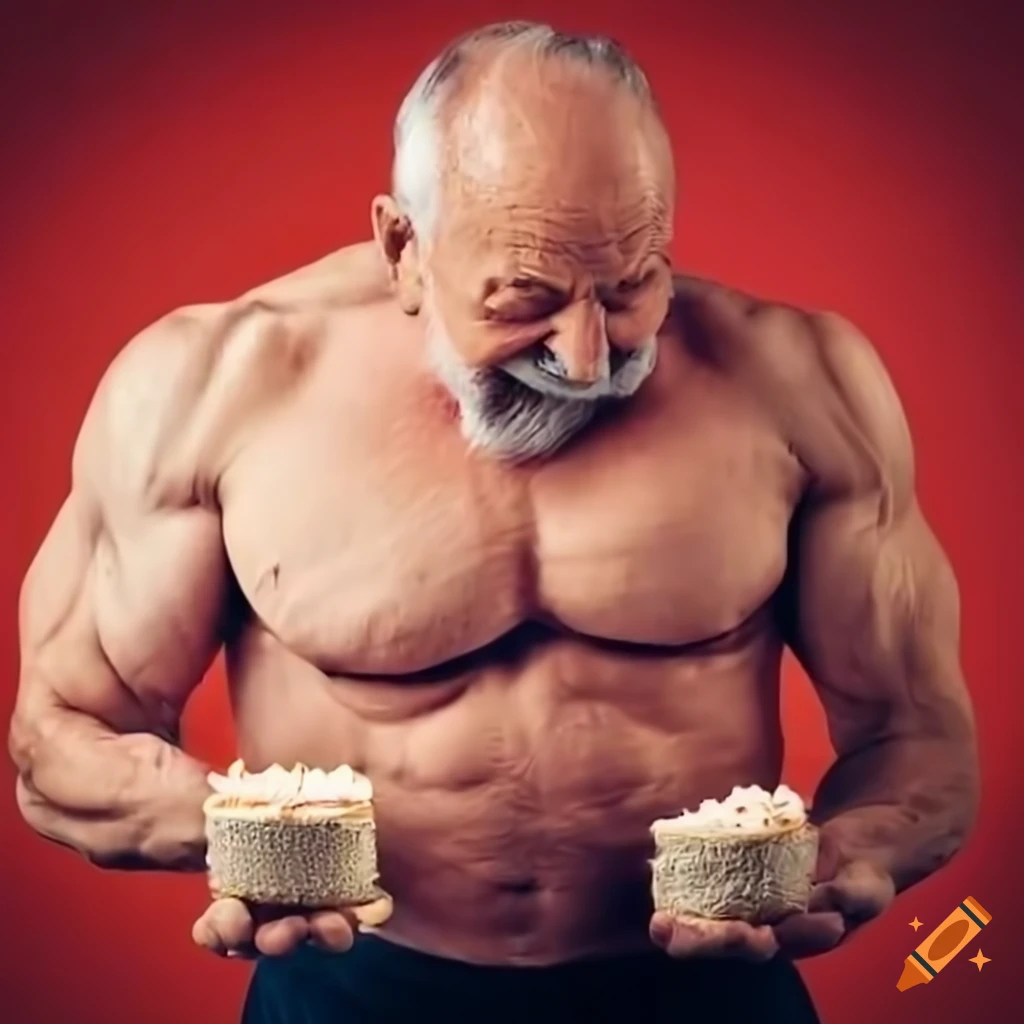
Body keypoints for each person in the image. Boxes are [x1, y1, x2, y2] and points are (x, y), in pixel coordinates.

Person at [9, 21, 978, 1024]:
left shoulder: (801, 382)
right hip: (354, 987)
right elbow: (65, 729)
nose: (591, 355)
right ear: (403, 248)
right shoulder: (212, 389)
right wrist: (240, 841)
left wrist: (857, 852)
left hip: (709, 992)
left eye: (632, 283)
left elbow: (916, 734)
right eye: (528, 297)